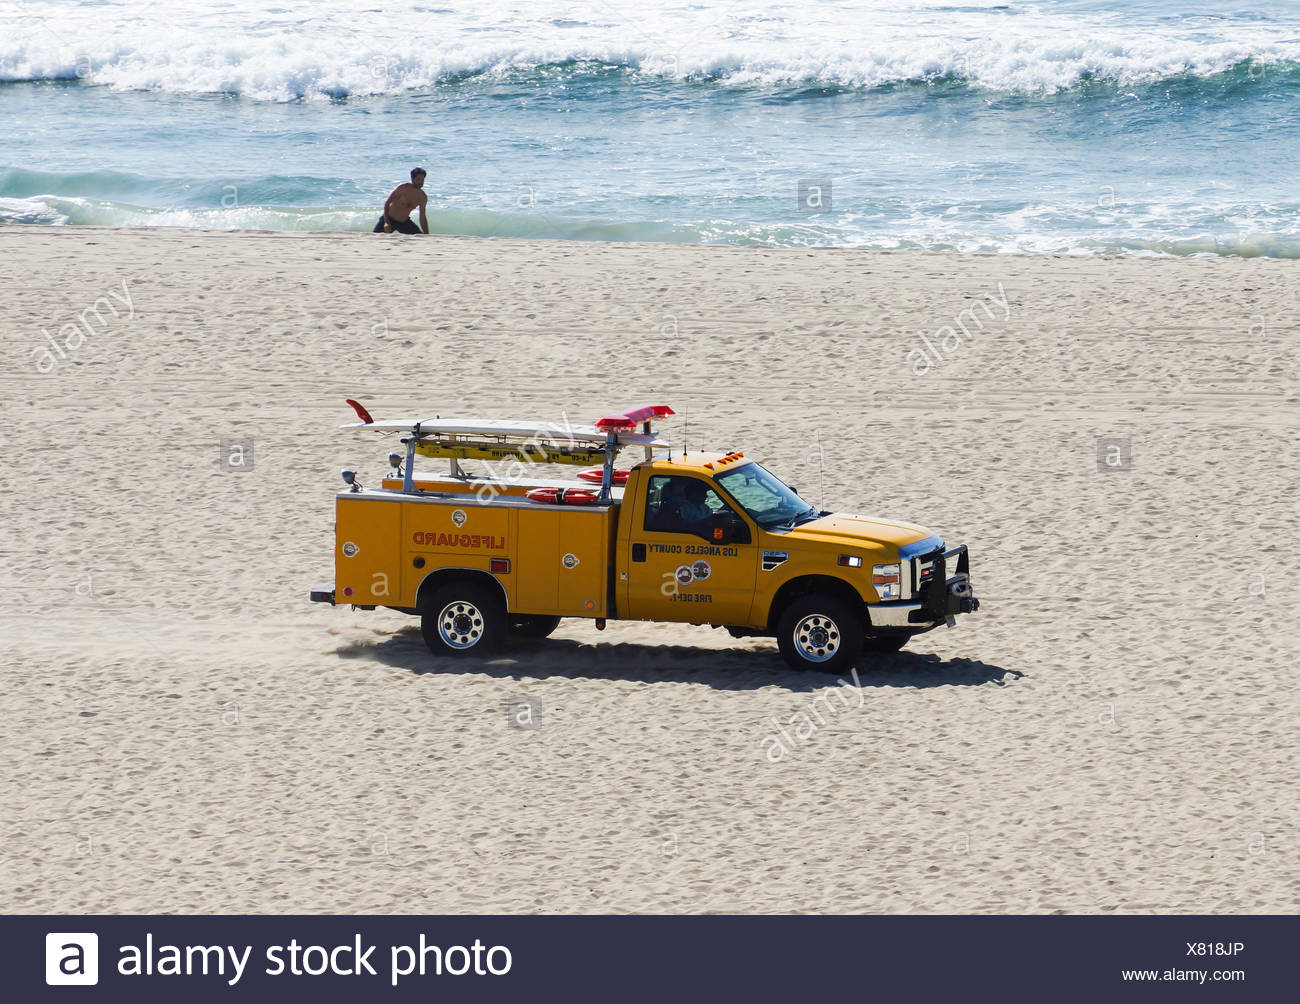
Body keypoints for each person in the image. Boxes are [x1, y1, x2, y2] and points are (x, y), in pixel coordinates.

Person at [373, 168, 429, 234]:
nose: (421, 182)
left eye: (422, 180)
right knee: (375, 237)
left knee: (420, 237)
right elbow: (387, 203)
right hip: (389, 219)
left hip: (404, 222)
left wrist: (426, 233)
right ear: (412, 179)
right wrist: (386, 223)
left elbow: (422, 217)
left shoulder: (422, 197)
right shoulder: (403, 188)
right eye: (418, 179)